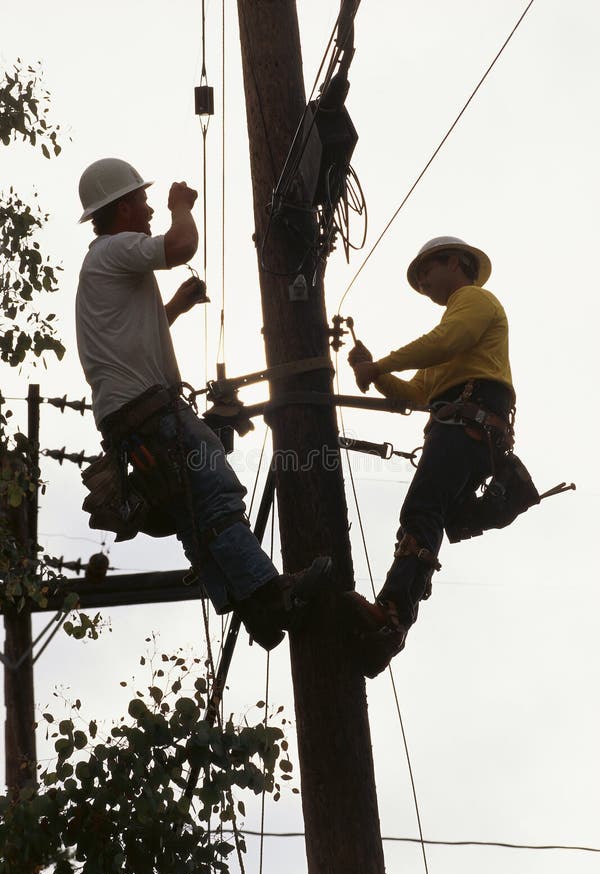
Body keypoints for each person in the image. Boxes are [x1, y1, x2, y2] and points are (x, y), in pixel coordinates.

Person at [76, 157, 329, 651]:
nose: (149, 208)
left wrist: (175, 307)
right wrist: (180, 205)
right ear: (123, 207)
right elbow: (181, 245)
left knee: (195, 517)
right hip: (152, 415)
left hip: (131, 421)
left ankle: (255, 610)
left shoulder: (100, 267)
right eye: (143, 200)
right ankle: (271, 591)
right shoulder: (115, 249)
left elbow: (130, 339)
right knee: (215, 495)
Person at [347, 236, 515, 677]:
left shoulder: (475, 301)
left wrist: (379, 365)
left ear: (457, 262)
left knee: (422, 510)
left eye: (426, 270)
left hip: (468, 425)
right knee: (428, 512)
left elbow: (445, 340)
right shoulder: (454, 331)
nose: (421, 281)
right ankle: (390, 625)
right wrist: (374, 372)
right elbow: (416, 394)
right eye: (418, 277)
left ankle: (393, 615)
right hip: (459, 427)